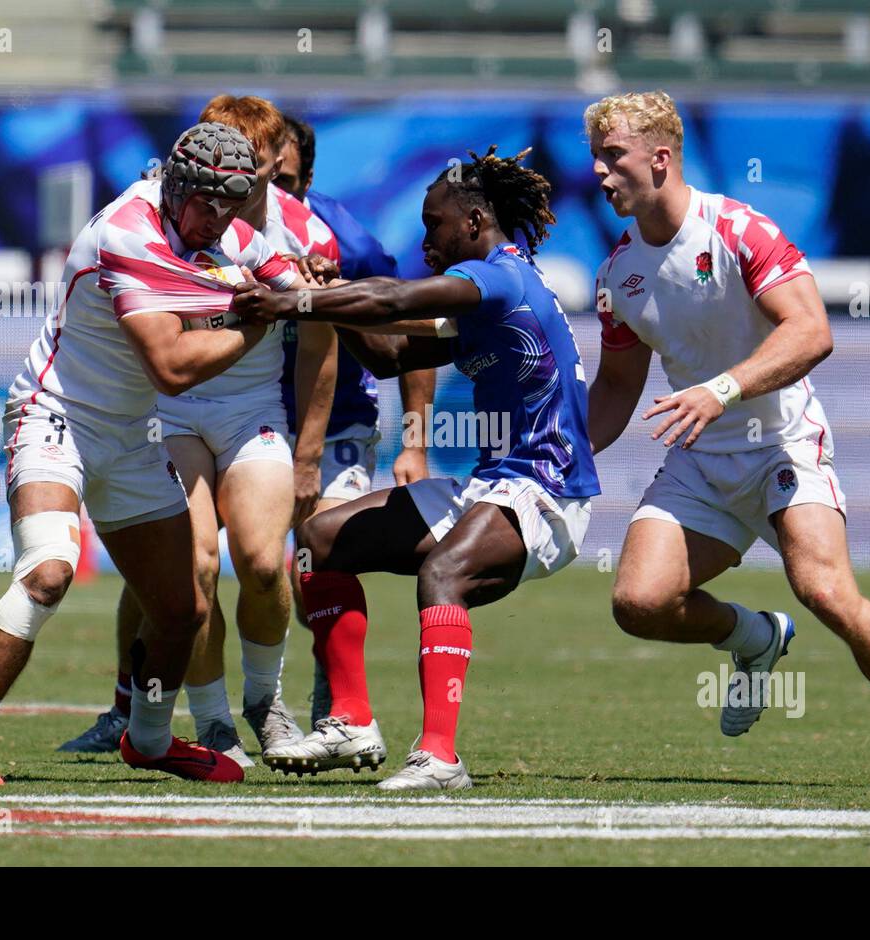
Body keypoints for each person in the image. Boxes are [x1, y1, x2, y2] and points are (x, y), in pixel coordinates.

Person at [584, 91, 870, 789]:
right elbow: (618, 387)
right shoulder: (620, 272)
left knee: (826, 590)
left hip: (782, 446)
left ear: (659, 157)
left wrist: (721, 389)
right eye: (596, 157)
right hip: (701, 461)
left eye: (611, 156)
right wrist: (556, 456)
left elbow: (811, 331)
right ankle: (754, 638)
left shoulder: (739, 229)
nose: (598, 172)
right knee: (639, 604)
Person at [0, 122, 306, 785]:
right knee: (49, 572)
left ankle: (150, 740)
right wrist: (257, 318)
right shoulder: (128, 232)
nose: (218, 219)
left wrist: (311, 292)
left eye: (231, 202)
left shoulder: (230, 235)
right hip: (57, 416)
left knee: (181, 608)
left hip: (132, 436)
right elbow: (171, 367)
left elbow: (294, 284)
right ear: (176, 187)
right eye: (207, 201)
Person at [229, 146, 599, 791]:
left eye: (434, 224)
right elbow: (388, 355)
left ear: (476, 222)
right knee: (320, 542)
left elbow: (391, 298)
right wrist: (324, 294)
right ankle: (349, 720)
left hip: (547, 492)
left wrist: (293, 305)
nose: (426, 239)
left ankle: (439, 758)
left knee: (443, 572)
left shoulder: (502, 278)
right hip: (495, 485)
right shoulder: (485, 297)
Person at [56, 95, 339, 766]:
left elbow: (321, 329)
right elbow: (170, 362)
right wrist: (261, 313)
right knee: (197, 567)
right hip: (170, 413)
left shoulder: (305, 236)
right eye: (208, 177)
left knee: (267, 563)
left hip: (251, 411)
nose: (219, 195)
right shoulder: (140, 220)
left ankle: (266, 703)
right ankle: (212, 722)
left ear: (270, 165)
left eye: (240, 174)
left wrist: (310, 452)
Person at [277, 113, 435, 724]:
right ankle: (134, 705)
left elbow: (415, 333)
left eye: (286, 181)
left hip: (338, 422)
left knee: (316, 557)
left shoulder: (350, 239)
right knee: (198, 563)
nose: (272, 195)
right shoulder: (217, 232)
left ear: (309, 177)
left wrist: (415, 442)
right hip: (244, 423)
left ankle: (336, 709)